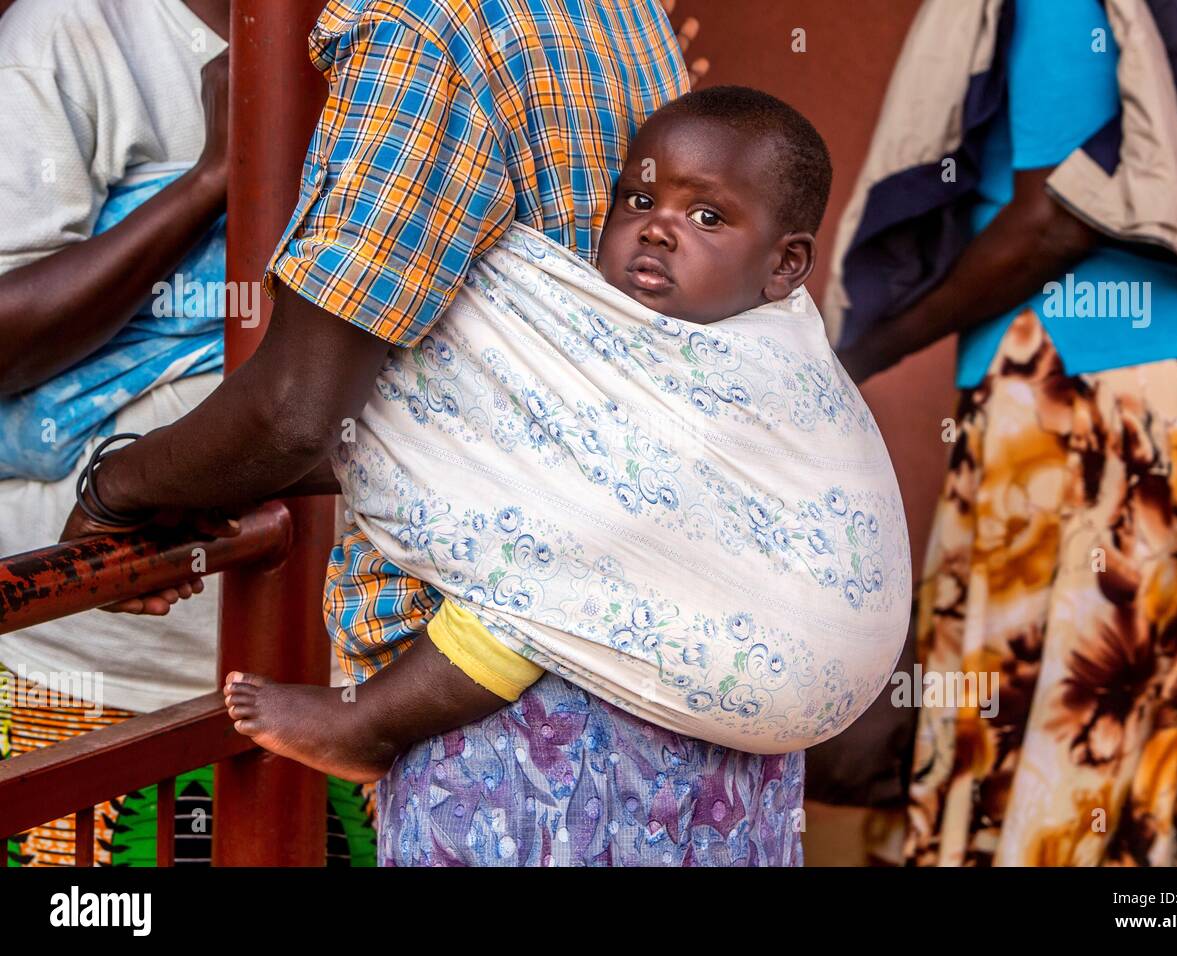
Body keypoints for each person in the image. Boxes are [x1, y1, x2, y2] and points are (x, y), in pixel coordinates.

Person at [59, 0, 808, 866]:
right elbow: (480, 408)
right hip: (695, 694)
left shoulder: (428, 26)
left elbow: (299, 412)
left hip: (533, 743)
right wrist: (202, 481)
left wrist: (119, 493)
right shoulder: (618, 11)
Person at [220, 87, 908, 783]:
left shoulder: (768, 361)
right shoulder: (622, 341)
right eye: (639, 202)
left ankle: (370, 726)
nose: (658, 229)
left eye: (706, 217)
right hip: (749, 704)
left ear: (784, 267)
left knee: (539, 560)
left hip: (776, 644)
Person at [834, 0, 1177, 865]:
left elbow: (1057, 216)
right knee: (1141, 756)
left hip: (1083, 394)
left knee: (1020, 747)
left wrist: (859, 350)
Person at [0, 0, 374, 866]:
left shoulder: (411, 36)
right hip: (101, 669)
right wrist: (217, 174)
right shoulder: (69, 29)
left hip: (355, 684)